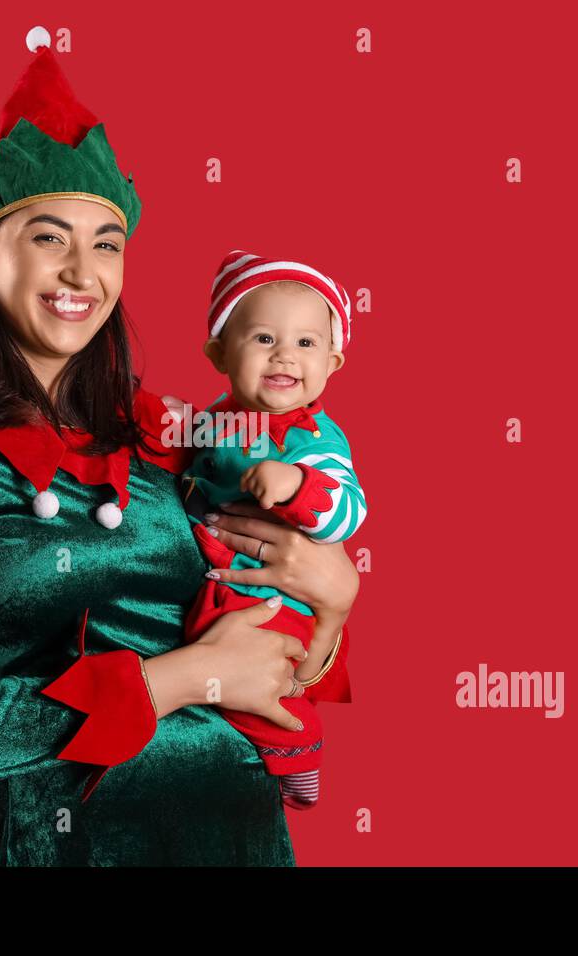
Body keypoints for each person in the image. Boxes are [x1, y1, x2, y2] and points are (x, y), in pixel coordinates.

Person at [0, 30, 358, 866]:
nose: (82, 272)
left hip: (242, 840)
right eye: (49, 237)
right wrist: (190, 679)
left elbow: (273, 654)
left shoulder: (173, 432)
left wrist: (332, 607)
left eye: (107, 242)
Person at [175, 252, 366, 811]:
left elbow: (349, 511)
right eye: (262, 338)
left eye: (306, 344)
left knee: (254, 680)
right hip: (220, 576)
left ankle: (296, 747)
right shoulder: (213, 418)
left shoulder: (315, 440)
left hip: (271, 596)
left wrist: (296, 486)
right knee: (208, 661)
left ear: (332, 362)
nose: (285, 353)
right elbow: (192, 469)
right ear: (218, 354)